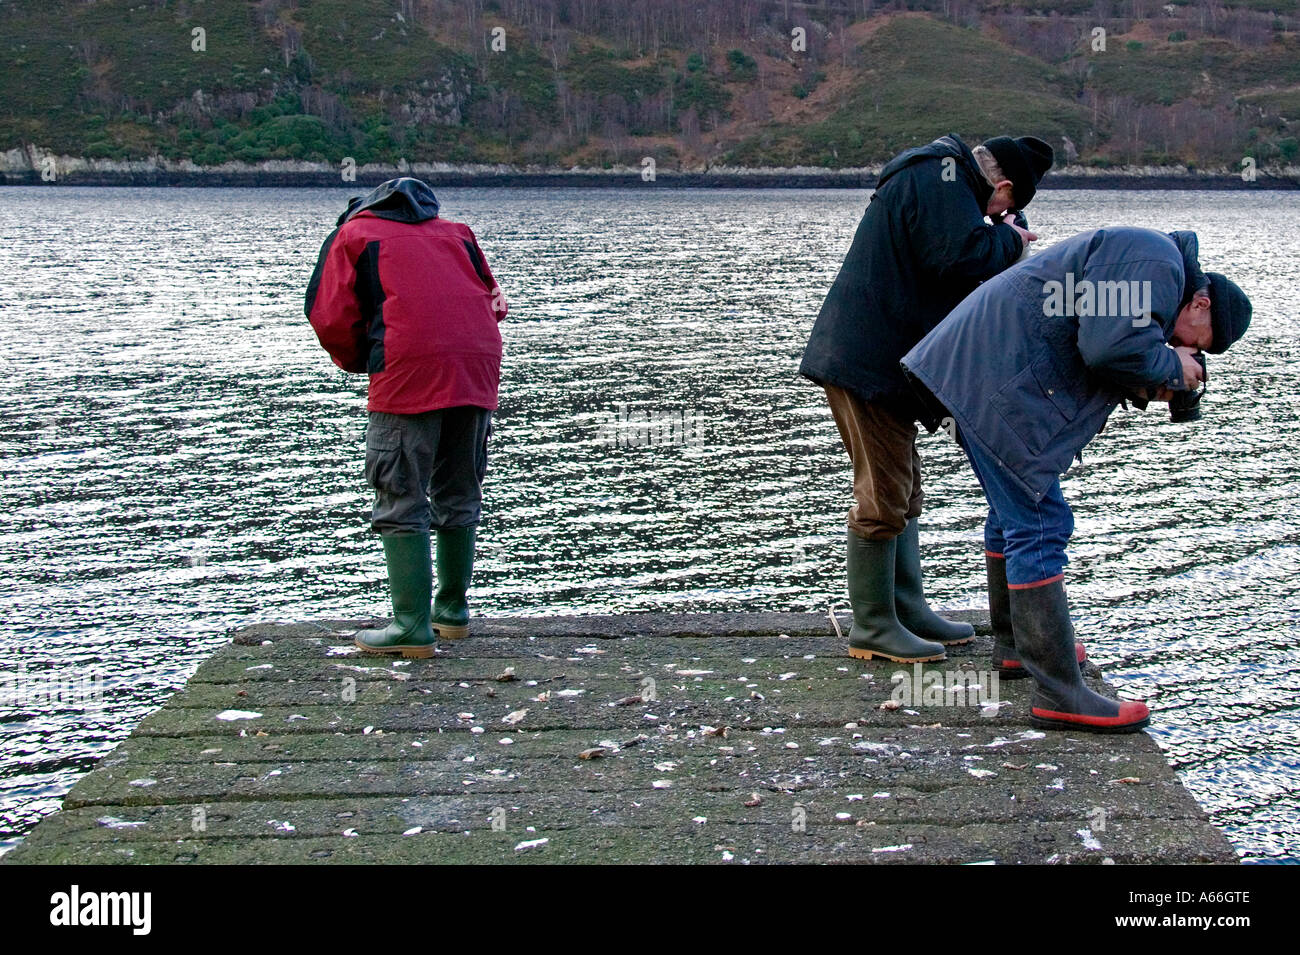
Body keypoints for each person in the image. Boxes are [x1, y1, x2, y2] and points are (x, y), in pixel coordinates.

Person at [901, 228, 1251, 732]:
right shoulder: (1157, 261)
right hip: (995, 380)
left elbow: (1098, 338)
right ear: (1200, 303)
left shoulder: (1150, 264)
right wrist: (1170, 366)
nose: (1184, 346)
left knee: (1014, 516)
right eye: (1197, 342)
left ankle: (1020, 646)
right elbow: (1110, 347)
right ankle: (1060, 692)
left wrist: (1154, 374)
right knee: (1040, 525)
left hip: (982, 372)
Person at [799, 133, 1053, 663]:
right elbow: (957, 258)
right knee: (884, 492)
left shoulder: (938, 178)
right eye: (1004, 208)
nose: (996, 216)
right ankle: (872, 625)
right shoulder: (943, 177)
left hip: (874, 359)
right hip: (866, 364)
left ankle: (905, 608)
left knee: (903, 487)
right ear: (1002, 186)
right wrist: (1013, 242)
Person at [305, 177, 508, 659]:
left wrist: (366, 361)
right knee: (459, 488)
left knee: (400, 493)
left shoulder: (354, 236)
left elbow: (329, 317)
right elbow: (492, 298)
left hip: (409, 370)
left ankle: (411, 626)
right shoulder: (457, 233)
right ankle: (452, 614)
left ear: (362, 210)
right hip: (475, 366)